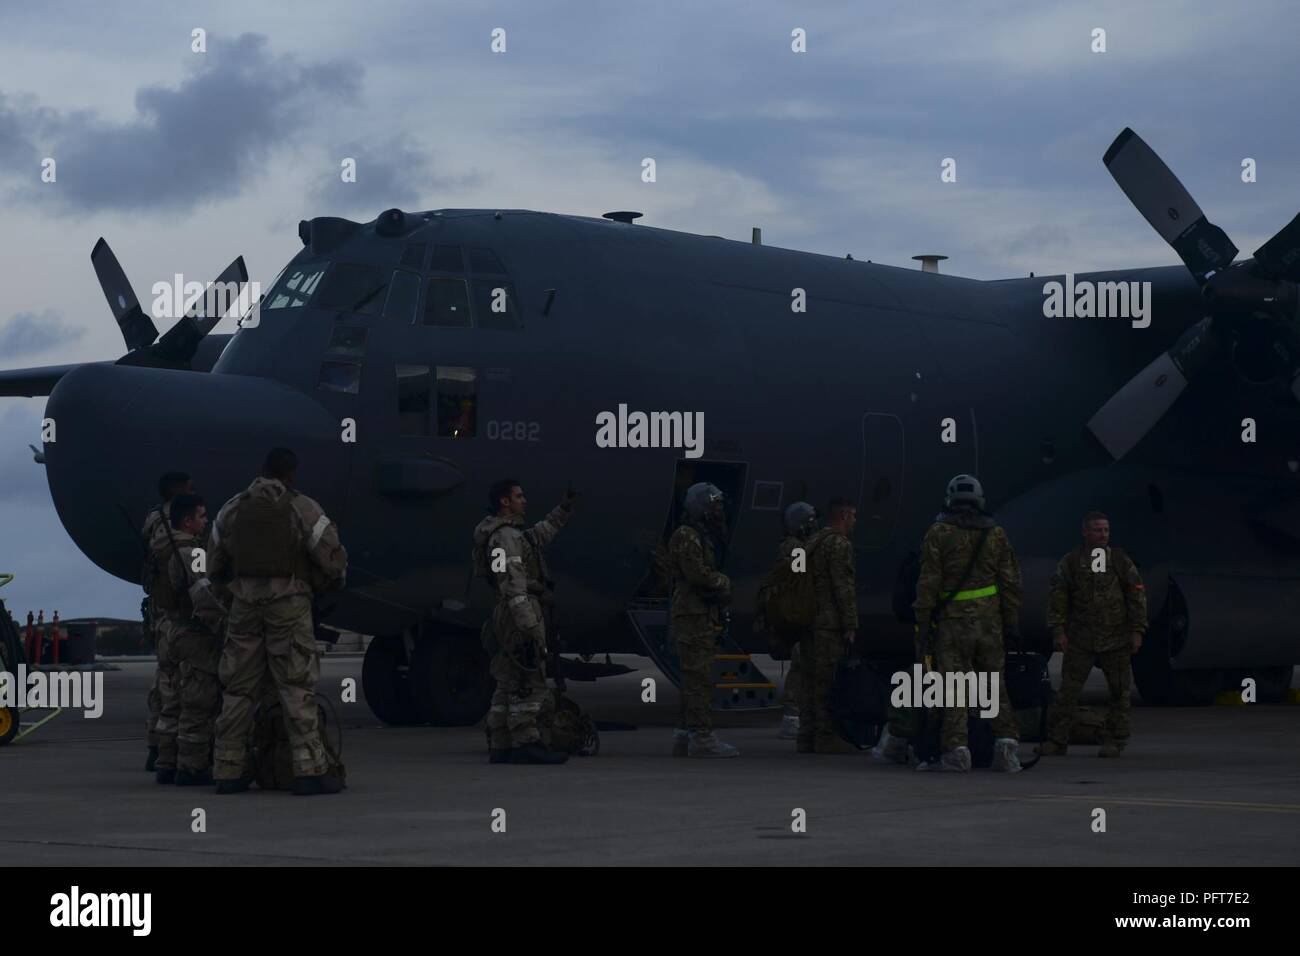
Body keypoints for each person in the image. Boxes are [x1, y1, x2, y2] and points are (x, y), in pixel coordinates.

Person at [207, 448, 348, 795]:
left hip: (244, 605)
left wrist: (237, 591)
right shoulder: (303, 508)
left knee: (239, 689)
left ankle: (228, 769)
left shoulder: (232, 509)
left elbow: (213, 566)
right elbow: (333, 560)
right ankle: (307, 769)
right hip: (289, 604)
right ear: (291, 474)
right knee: (296, 685)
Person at [913, 475, 1022, 773]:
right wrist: (1011, 622)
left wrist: (922, 621)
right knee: (993, 684)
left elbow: (928, 582)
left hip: (953, 623)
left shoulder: (938, 533)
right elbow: (1010, 582)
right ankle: (1007, 748)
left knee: (956, 687)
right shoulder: (996, 533)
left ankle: (957, 751)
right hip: (990, 623)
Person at [472, 479, 576, 765]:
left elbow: (538, 536)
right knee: (530, 675)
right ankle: (526, 740)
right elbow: (514, 584)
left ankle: (501, 742)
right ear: (505, 502)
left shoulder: (510, 534)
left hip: (506, 610)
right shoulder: (505, 538)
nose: (524, 500)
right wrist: (529, 626)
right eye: (519, 496)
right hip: (519, 609)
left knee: (507, 678)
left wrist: (563, 510)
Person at [1040, 511, 1147, 757]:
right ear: (1085, 532)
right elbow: (1058, 599)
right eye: (1097, 530)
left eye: (1106, 530)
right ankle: (1058, 739)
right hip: (1081, 638)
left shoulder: (1120, 560)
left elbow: (1136, 594)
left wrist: (1137, 630)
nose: (1102, 535)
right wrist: (1058, 631)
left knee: (1119, 691)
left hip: (1116, 638)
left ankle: (1115, 740)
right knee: (1068, 691)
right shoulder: (1071, 562)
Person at [161, 495, 228, 785]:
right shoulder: (190, 553)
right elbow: (206, 595)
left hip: (175, 631)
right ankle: (191, 767)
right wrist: (232, 615)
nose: (205, 521)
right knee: (199, 700)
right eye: (201, 516)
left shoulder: (169, 547)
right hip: (194, 634)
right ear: (187, 521)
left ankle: (168, 760)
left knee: (177, 697)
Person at [667, 482, 737, 757]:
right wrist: (723, 581)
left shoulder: (702, 534)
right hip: (693, 614)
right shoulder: (687, 535)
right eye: (714, 504)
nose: (718, 510)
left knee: (693, 677)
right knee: (699, 677)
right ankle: (702, 736)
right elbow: (696, 574)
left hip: (700, 612)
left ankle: (685, 733)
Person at [142, 471, 192, 771]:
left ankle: (157, 742)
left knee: (165, 678)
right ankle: (165, 748)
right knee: (172, 679)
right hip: (171, 612)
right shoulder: (170, 525)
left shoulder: (154, 520)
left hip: (161, 610)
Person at [804, 498, 860, 754]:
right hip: (829, 623)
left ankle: (806, 736)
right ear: (845, 514)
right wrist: (850, 623)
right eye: (854, 515)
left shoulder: (812, 542)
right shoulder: (839, 544)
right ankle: (826, 737)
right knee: (828, 680)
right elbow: (843, 586)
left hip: (810, 619)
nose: (855, 521)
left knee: (810, 679)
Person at [773, 502, 819, 740]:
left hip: (800, 611)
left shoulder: (796, 546)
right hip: (798, 613)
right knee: (800, 661)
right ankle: (791, 716)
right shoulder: (794, 548)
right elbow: (801, 574)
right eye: (811, 522)